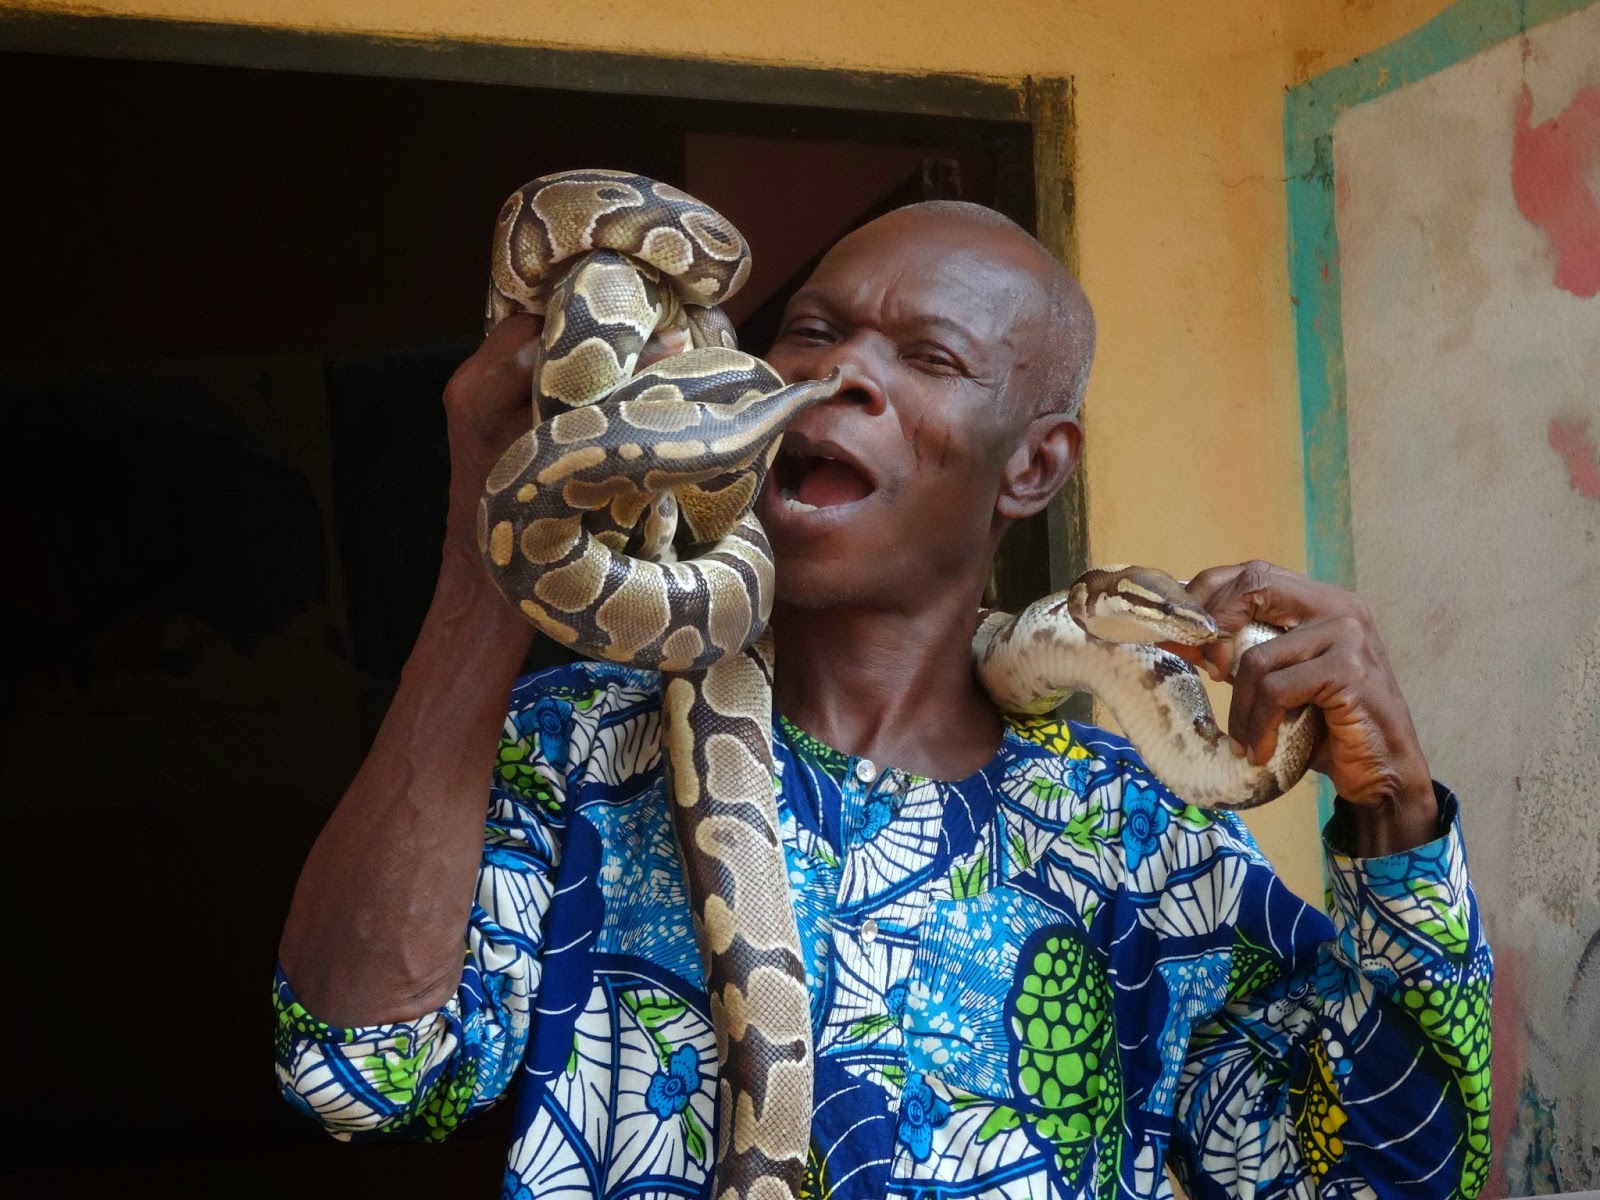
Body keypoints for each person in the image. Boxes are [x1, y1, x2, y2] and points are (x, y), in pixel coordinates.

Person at [275, 202, 1491, 1199]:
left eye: (929, 358)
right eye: (810, 332)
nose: (839, 371)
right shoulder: (584, 743)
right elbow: (356, 1071)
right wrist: (500, 539)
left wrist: (1395, 823)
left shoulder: (1134, 836)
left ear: (1034, 464)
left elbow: (1388, 1175)